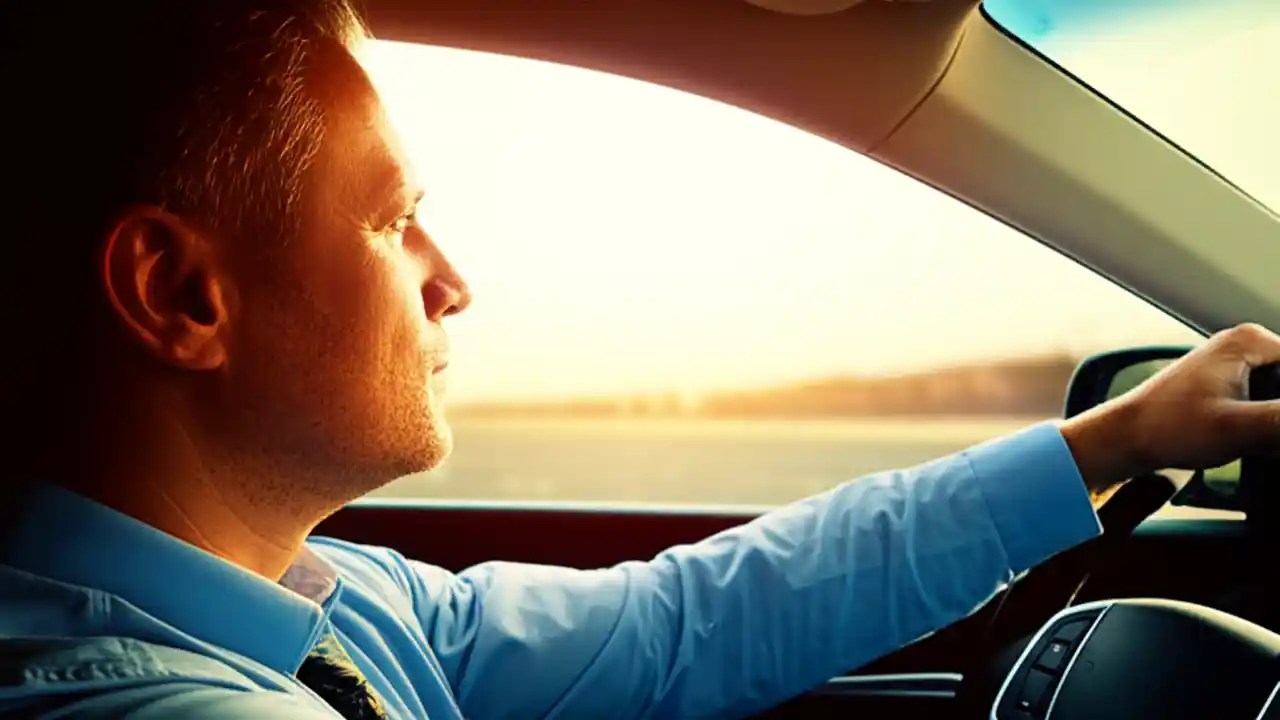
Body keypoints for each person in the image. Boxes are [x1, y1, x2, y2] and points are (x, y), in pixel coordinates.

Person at [1, 1, 1276, 718]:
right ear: (179, 294)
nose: (451, 280)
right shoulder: (132, 708)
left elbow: (688, 618)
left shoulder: (334, 601)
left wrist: (1114, 440)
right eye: (393, 220)